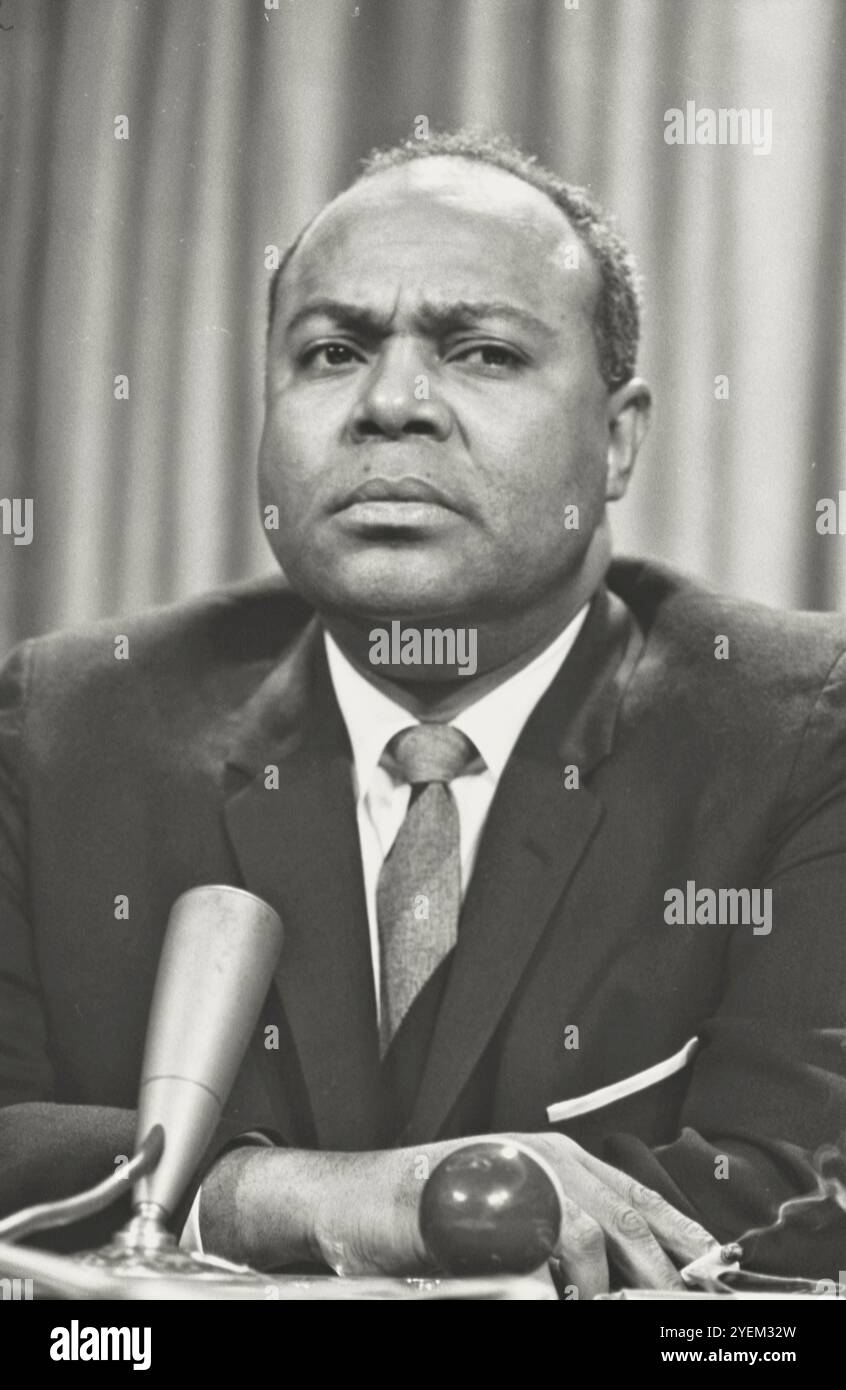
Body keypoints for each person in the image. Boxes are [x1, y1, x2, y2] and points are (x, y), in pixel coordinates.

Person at [1, 132, 844, 1296]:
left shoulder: (802, 732)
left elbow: (799, 1198)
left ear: (619, 439)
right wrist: (279, 1194)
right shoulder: (60, 731)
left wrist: (422, 1218)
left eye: (482, 351)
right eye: (333, 350)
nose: (392, 404)